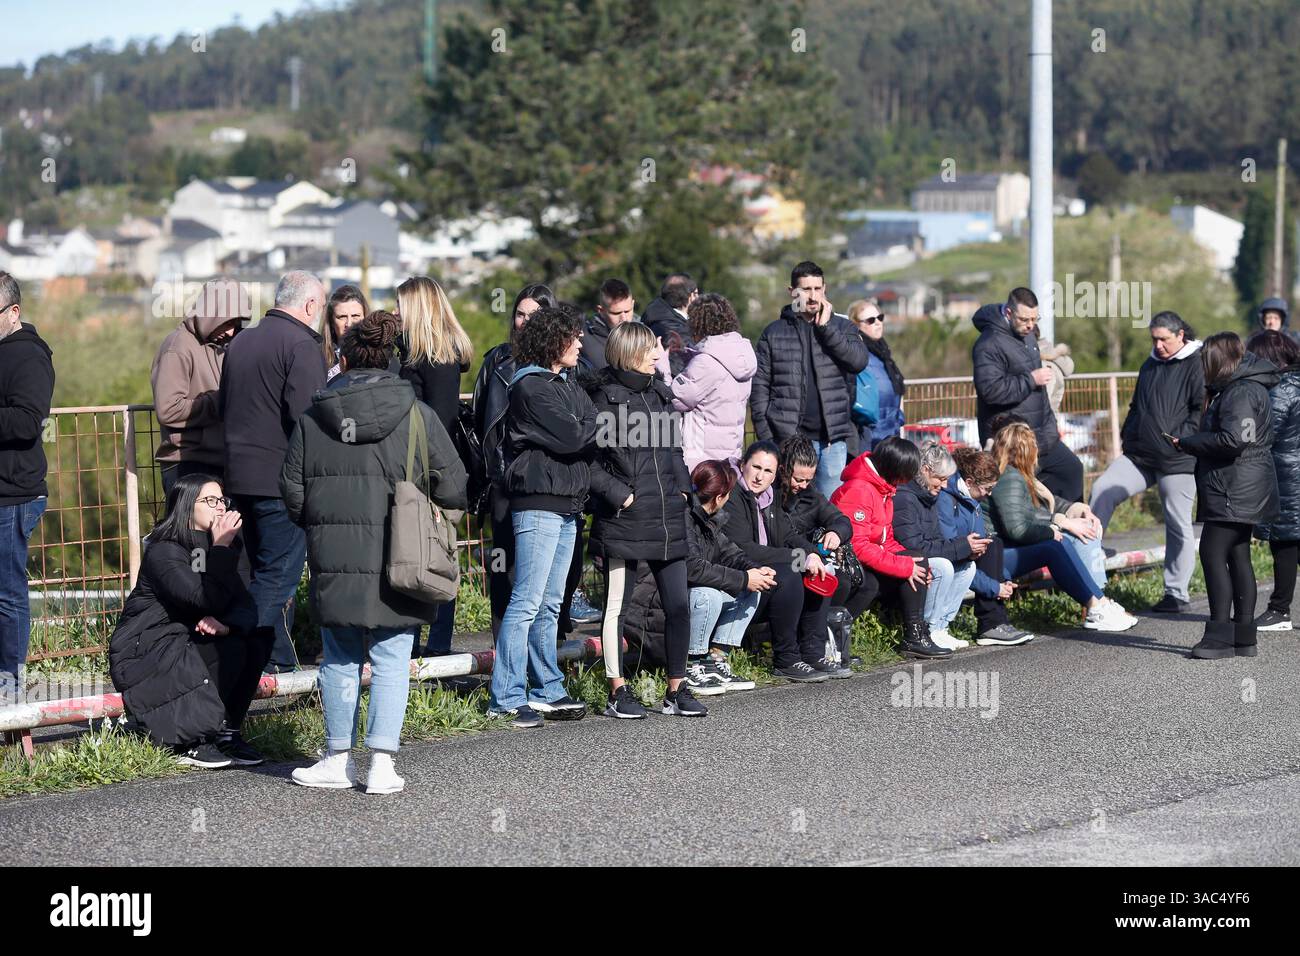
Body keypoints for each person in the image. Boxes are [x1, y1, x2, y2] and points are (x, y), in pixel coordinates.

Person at [282, 312, 467, 793]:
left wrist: (323, 526)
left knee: (340, 655)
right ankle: (382, 764)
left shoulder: (312, 418)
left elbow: (293, 493)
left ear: (341, 359)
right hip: (401, 555)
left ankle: (336, 760)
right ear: (390, 360)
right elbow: (455, 486)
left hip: (334, 556)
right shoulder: (417, 415)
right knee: (391, 656)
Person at [107, 474, 269, 769]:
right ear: (185, 504)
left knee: (254, 640)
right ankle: (189, 740)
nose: (220, 507)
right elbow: (202, 599)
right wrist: (220, 547)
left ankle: (225, 731)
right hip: (146, 649)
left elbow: (245, 604)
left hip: (185, 637)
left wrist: (227, 625)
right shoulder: (165, 549)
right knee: (227, 649)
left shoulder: (223, 545)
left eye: (222, 500)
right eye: (210, 500)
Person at [587, 321, 707, 717]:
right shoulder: (603, 398)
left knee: (679, 605)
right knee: (616, 608)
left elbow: (674, 451)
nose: (659, 354)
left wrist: (684, 488)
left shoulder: (660, 395)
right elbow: (589, 462)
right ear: (629, 353)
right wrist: (620, 495)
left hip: (667, 514)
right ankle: (617, 691)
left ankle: (677, 689)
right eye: (651, 349)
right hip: (625, 518)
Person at [487, 304, 595, 728]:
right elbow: (574, 435)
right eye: (574, 335)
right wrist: (582, 431)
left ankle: (546, 686)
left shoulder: (566, 381)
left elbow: (591, 424)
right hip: (538, 503)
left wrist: (584, 430)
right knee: (527, 601)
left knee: (551, 604)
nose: (581, 342)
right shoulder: (530, 386)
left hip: (567, 504)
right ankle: (507, 694)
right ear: (554, 340)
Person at [219, 271, 328, 673]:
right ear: (311, 305)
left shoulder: (241, 342)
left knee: (258, 572)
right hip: (279, 482)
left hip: (237, 477)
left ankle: (278, 658)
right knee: (277, 577)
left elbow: (223, 405)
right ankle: (242, 662)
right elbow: (308, 419)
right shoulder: (301, 345)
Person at [619, 459, 772, 693]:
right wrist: (743, 578)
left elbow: (731, 552)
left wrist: (755, 571)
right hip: (653, 608)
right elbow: (692, 567)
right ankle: (690, 665)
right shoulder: (682, 517)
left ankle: (715, 661)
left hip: (679, 602)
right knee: (707, 594)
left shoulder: (707, 519)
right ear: (720, 497)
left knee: (751, 590)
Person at [1089, 311, 1203, 613]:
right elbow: (1136, 405)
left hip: (1178, 459)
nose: (1158, 345)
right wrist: (1129, 434)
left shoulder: (1197, 362)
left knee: (1177, 521)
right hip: (1140, 455)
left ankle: (1176, 593)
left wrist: (1179, 440)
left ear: (1180, 336)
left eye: (1164, 339)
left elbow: (1199, 411)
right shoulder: (1150, 363)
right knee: (1102, 489)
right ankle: (1089, 563)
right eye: (1154, 339)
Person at [1174, 332, 1279, 659]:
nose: (1202, 368)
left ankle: (1219, 635)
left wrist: (1191, 442)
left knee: (1212, 553)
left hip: (1234, 487)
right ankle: (1243, 637)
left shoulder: (1240, 391)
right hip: (1242, 485)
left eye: (1205, 362)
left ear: (1217, 361)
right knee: (1237, 555)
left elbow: (1234, 440)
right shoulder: (1244, 387)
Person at [988, 423, 1137, 632]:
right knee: (1055, 545)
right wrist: (1054, 528)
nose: (1037, 453)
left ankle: (1100, 603)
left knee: (1074, 535)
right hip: (994, 557)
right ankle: (1097, 607)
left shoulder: (1018, 475)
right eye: (1034, 447)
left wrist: (1077, 511)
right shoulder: (1010, 478)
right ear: (1025, 451)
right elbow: (1017, 528)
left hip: (1000, 550)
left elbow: (1042, 506)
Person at [396, 275, 474, 658]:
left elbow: (438, 422)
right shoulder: (415, 352)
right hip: (420, 472)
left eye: (401, 306)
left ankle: (434, 648)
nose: (396, 314)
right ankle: (418, 646)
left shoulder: (438, 358)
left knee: (435, 557)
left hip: (430, 475)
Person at [722, 441, 841, 681]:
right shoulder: (733, 493)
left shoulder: (769, 494)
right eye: (756, 467)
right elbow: (744, 548)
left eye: (768, 471)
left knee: (819, 572)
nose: (759, 477)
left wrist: (814, 555)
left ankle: (813, 653)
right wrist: (799, 557)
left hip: (764, 564)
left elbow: (787, 535)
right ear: (743, 464)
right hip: (736, 569)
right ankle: (786, 659)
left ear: (776, 475)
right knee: (789, 575)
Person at [751, 260, 869, 499]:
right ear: (792, 292)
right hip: (789, 440)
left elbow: (858, 362)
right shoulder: (774, 332)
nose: (813, 296)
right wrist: (767, 436)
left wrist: (827, 329)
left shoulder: (842, 327)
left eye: (817, 288)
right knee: (790, 509)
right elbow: (759, 387)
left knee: (831, 510)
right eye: (806, 289)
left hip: (832, 441)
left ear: (825, 289)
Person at [830, 438, 947, 660]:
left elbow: (886, 539)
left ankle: (916, 633)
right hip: (848, 562)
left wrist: (913, 564)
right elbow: (858, 546)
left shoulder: (883, 488)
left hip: (867, 559)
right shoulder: (860, 490)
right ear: (896, 469)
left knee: (918, 560)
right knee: (896, 571)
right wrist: (903, 566)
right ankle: (913, 635)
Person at [972, 287, 1084, 504]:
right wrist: (1031, 379)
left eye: (1034, 319)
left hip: (1042, 436)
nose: (1030, 325)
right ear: (1008, 313)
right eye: (1024, 319)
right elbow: (991, 390)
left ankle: (1071, 531)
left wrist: (1051, 426)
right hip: (1010, 442)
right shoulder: (988, 344)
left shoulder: (1029, 335)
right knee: (1017, 500)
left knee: (1071, 471)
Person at [0, 272, 55, 699]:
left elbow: (25, 421)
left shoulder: (29, 357)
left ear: (13, 312)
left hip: (13, 494)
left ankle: (11, 689)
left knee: (7, 594)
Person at [151, 278, 245, 496]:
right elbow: (168, 409)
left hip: (220, 463)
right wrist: (220, 401)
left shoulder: (225, 346)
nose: (231, 331)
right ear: (211, 314)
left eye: (236, 323)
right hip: (187, 465)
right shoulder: (178, 346)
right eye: (226, 322)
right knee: (188, 531)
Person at [776, 435, 856, 678]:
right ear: (783, 470)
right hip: (779, 553)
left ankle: (814, 649)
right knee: (813, 571)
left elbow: (842, 520)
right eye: (797, 479)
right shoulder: (771, 495)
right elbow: (783, 535)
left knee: (827, 573)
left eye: (808, 479)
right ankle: (799, 652)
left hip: (804, 555)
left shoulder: (812, 496)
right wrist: (810, 554)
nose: (802, 484)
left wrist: (836, 532)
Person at [938, 447, 1036, 646]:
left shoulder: (972, 500)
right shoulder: (945, 500)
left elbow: (983, 548)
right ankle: (990, 624)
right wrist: (994, 587)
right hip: (947, 558)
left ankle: (996, 623)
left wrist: (1004, 580)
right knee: (989, 547)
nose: (989, 494)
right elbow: (952, 551)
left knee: (993, 543)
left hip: (965, 558)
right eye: (987, 489)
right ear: (969, 482)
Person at [892, 442, 981, 650]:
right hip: (908, 559)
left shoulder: (929, 495)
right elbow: (914, 546)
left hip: (924, 554)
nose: (943, 485)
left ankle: (941, 627)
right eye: (940, 479)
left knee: (968, 567)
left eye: (946, 480)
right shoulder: (906, 498)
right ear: (925, 470)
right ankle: (927, 629)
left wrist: (966, 550)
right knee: (943, 566)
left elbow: (936, 540)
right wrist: (961, 547)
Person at [657, 292, 756, 470]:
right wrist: (686, 354)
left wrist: (663, 369)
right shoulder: (741, 354)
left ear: (698, 324)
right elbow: (713, 382)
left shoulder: (706, 364)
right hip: (730, 454)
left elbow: (674, 399)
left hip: (702, 460)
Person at [1246, 330, 1300, 632]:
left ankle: (1280, 610)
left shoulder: (1281, 390)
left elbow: (1265, 434)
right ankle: (1279, 608)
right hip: (1292, 473)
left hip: (1287, 477)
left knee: (1284, 544)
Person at [847, 299, 905, 450]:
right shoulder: (856, 352)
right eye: (871, 320)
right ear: (855, 324)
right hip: (870, 435)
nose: (878, 323)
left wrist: (898, 420)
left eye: (880, 318)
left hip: (890, 431)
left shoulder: (883, 352)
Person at [642, 272, 699, 369]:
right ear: (690, 297)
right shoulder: (676, 331)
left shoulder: (657, 318)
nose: (698, 298)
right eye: (696, 294)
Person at [579, 278, 636, 374]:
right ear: (601, 311)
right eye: (616, 313)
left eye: (627, 311)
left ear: (633, 304)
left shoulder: (644, 333)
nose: (624, 318)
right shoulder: (583, 338)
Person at [321, 284, 369, 381]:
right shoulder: (317, 357)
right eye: (342, 317)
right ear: (331, 322)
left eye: (355, 316)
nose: (349, 323)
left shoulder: (381, 356)